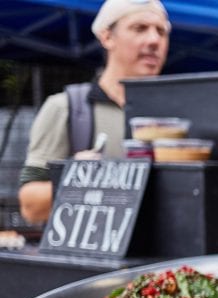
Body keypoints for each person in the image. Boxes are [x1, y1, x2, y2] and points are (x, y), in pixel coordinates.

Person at [18, 0, 171, 225]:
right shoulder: (68, 108)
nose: (154, 40)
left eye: (161, 31)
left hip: (168, 258)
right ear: (106, 36)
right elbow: (30, 207)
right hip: (94, 255)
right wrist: (76, 178)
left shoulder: (174, 115)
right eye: (139, 28)